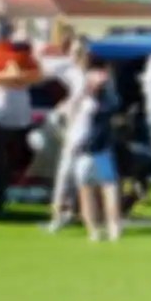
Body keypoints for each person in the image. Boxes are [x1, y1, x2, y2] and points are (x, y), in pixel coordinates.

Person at [0, 14, 42, 209]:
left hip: (21, 119)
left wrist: (17, 78)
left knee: (23, 159)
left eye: (4, 28)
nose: (2, 32)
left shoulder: (21, 53)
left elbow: (37, 74)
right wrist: (13, 78)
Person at [68, 67, 122, 242]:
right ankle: (96, 229)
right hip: (87, 151)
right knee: (91, 191)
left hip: (95, 151)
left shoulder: (99, 102)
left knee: (106, 189)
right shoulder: (90, 102)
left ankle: (107, 228)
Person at [45, 37, 90, 233]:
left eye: (79, 51)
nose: (76, 55)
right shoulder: (72, 69)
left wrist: (66, 106)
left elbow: (80, 96)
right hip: (75, 127)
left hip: (85, 127)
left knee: (73, 172)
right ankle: (62, 213)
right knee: (67, 172)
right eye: (74, 50)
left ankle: (71, 212)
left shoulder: (88, 74)